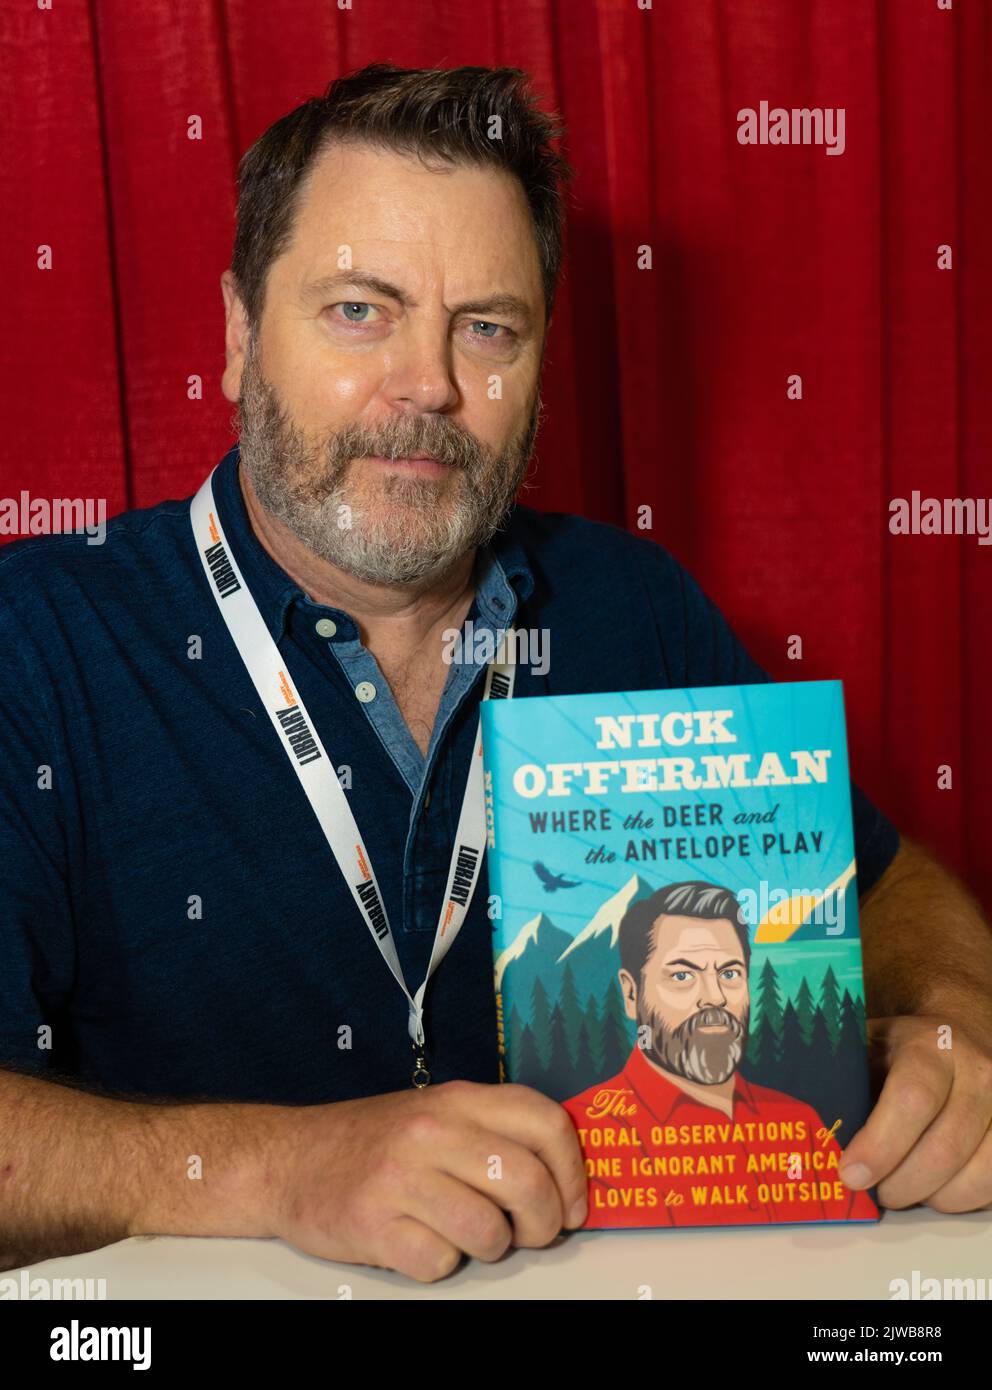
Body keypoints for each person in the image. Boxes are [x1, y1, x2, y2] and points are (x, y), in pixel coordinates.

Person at [1, 63, 991, 1286]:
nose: (427, 385)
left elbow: (882, 884)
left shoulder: (634, 606)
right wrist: (275, 1171)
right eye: (360, 309)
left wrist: (953, 1017)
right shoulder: (33, 638)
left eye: (486, 328)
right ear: (237, 334)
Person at [563, 881, 879, 1227]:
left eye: (729, 973)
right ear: (630, 993)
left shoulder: (799, 1126)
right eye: (683, 975)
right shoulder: (578, 1132)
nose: (713, 997)